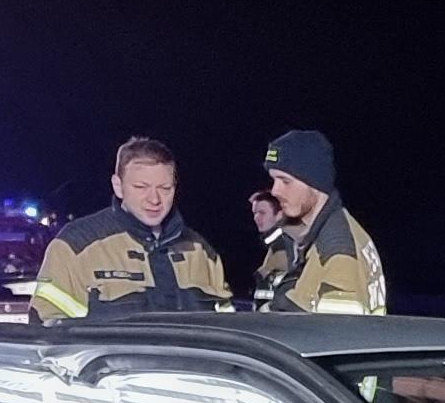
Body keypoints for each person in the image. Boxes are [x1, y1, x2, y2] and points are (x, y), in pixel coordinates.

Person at [26, 137, 228, 319]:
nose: (154, 199)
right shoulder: (76, 246)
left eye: (165, 188)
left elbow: (229, 326)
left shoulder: (200, 251)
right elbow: (46, 329)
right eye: (141, 187)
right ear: (118, 186)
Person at [251, 129, 385, 314]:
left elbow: (337, 329)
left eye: (286, 181)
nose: (275, 191)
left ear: (315, 184)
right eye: (274, 180)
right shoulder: (315, 238)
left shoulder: (336, 251)